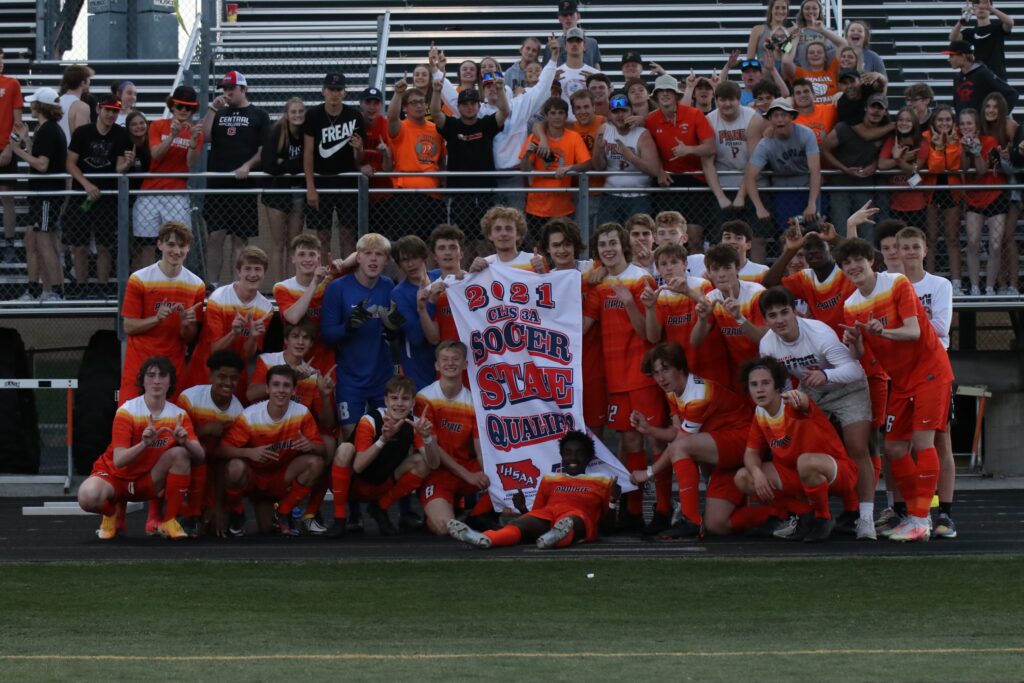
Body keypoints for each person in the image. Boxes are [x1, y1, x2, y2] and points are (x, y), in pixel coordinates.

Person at [836, 238, 955, 542]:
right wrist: (857, 342)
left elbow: (914, 331)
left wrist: (882, 330)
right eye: (846, 263)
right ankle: (916, 517)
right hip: (901, 381)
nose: (853, 266)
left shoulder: (897, 283)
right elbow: (863, 356)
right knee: (893, 448)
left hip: (930, 371)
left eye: (857, 260)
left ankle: (920, 518)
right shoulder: (850, 306)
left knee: (924, 442)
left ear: (871, 261)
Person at [756, 286, 875, 538]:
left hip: (847, 387)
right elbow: (781, 382)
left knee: (857, 448)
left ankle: (865, 518)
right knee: (801, 450)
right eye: (773, 315)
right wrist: (789, 399)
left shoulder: (819, 332)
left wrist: (825, 374)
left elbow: (854, 370)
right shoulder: (767, 344)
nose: (779, 320)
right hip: (812, 391)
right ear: (765, 320)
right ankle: (809, 515)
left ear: (795, 312)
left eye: (784, 312)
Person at [582, 222, 668, 531]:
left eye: (612, 243)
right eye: (602, 244)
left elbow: (648, 332)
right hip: (615, 378)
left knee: (655, 441)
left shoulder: (639, 279)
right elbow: (581, 328)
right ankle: (633, 512)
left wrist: (630, 302)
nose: (607, 248)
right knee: (631, 442)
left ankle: (662, 510)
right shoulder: (597, 285)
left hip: (643, 375)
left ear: (623, 246)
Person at [627, 341, 756, 538]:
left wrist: (649, 472)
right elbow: (679, 433)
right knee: (716, 524)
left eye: (666, 369)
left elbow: (679, 444)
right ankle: (776, 516)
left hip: (744, 442)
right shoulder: (674, 391)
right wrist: (649, 429)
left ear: (680, 367)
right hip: (724, 449)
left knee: (682, 449)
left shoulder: (697, 395)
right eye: (656, 373)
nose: (661, 378)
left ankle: (691, 519)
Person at [77, 356, 202, 541]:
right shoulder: (127, 411)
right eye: (151, 375)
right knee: (87, 496)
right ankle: (111, 513)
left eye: (162, 375)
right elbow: (119, 461)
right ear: (142, 381)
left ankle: (169, 521)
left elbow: (200, 456)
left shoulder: (179, 415)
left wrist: (185, 442)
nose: (157, 380)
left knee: (181, 454)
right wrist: (145, 444)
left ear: (170, 381)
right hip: (115, 478)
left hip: (147, 480)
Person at [736, 356, 859, 543]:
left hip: (836, 472)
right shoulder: (760, 413)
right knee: (744, 477)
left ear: (777, 386)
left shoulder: (791, 403)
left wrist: (798, 398)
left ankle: (823, 517)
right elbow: (751, 452)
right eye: (754, 384)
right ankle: (804, 514)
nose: (760, 389)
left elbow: (802, 402)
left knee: (806, 462)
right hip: (797, 475)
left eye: (765, 383)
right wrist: (757, 472)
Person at [447, 430, 617, 549]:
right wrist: (522, 508)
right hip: (548, 515)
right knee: (520, 524)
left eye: (579, 453)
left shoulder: (603, 481)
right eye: (568, 453)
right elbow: (537, 514)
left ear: (589, 457)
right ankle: (485, 538)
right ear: (562, 456)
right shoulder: (549, 479)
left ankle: (556, 537)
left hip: (578, 518)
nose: (573, 457)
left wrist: (613, 502)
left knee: (570, 520)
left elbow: (607, 529)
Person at [896, 226, 958, 539]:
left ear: (925, 250)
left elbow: (940, 328)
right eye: (903, 247)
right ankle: (910, 511)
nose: (909, 252)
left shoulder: (940, 284)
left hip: (934, 368)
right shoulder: (891, 283)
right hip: (901, 372)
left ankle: (944, 512)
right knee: (898, 444)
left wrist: (904, 325)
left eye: (914, 246)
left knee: (938, 442)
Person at [220, 364, 326, 537]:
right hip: (254, 477)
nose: (281, 390)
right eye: (276, 385)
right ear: (267, 389)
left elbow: (322, 450)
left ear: (293, 390)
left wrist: (311, 445)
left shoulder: (302, 413)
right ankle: (238, 512)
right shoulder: (250, 416)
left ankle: (283, 512)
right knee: (234, 467)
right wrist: (249, 453)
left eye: (286, 385)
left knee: (316, 462)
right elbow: (222, 450)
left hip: (282, 476)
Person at [327, 375, 434, 537]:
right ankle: (340, 517)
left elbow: (434, 464)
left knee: (422, 462)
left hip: (382, 486)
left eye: (405, 399)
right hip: (353, 485)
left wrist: (427, 438)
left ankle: (380, 507)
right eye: (394, 398)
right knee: (345, 449)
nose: (399, 403)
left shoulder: (415, 424)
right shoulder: (369, 420)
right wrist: (383, 439)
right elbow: (358, 466)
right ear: (386, 401)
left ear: (412, 403)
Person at [321, 233, 400, 438]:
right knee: (351, 436)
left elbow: (395, 333)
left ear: (386, 260)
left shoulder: (388, 285)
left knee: (389, 434)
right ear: (358, 257)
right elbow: (328, 335)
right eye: (368, 253)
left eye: (379, 254)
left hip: (381, 376)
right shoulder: (337, 288)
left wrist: (392, 325)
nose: (373, 259)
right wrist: (348, 327)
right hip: (350, 378)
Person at [120, 221, 206, 405]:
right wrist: (156, 319)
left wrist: (187, 324)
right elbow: (128, 326)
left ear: (188, 248)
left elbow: (189, 337)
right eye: (171, 244)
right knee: (132, 421)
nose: (176, 251)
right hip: (140, 363)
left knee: (171, 424)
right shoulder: (139, 279)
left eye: (182, 246)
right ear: (160, 245)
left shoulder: (196, 284)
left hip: (173, 365)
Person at [202, 71, 269, 287]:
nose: (228, 92)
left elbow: (263, 149)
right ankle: (211, 286)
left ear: (244, 89)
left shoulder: (258, 114)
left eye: (232, 88)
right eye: (225, 88)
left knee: (240, 239)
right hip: (217, 184)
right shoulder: (219, 113)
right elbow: (205, 137)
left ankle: (237, 285)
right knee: (215, 236)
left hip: (243, 185)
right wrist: (212, 109)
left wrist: (247, 166)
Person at [415, 341, 490, 535]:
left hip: (467, 467)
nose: (450, 363)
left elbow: (480, 449)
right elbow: (433, 454)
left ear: (465, 364)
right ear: (437, 365)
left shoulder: (473, 400)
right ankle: (453, 510)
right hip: (439, 473)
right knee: (443, 528)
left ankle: (477, 514)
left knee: (500, 475)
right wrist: (468, 475)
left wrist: (488, 475)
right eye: (445, 359)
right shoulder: (424, 399)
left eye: (455, 359)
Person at [64, 93, 133, 298]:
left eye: (115, 110)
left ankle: (102, 287)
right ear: (98, 110)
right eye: (108, 110)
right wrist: (86, 184)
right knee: (79, 245)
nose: (111, 114)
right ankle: (81, 286)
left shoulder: (121, 135)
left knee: (105, 245)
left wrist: (128, 164)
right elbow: (69, 163)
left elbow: (119, 168)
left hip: (107, 196)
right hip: (82, 195)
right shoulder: (83, 132)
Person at [183, 246, 273, 399]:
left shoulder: (266, 308)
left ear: (264, 273)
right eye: (247, 269)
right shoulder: (219, 298)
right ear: (239, 271)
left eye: (257, 269)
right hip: (207, 371)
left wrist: (252, 337)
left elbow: (248, 353)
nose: (252, 274)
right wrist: (234, 333)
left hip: (236, 374)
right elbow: (214, 350)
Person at [642, 242, 733, 389]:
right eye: (663, 264)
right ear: (657, 269)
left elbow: (715, 311)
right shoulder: (659, 295)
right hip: (680, 370)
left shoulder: (702, 285)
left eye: (674, 262)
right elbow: (653, 337)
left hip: (710, 364)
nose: (669, 267)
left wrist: (687, 292)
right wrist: (650, 308)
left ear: (685, 264)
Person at [176, 349, 245, 538]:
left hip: (214, 468)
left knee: (214, 525)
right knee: (180, 455)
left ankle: (232, 509)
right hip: (189, 462)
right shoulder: (189, 398)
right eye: (222, 376)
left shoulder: (238, 413)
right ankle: (176, 514)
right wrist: (204, 431)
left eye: (234, 378)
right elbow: (176, 441)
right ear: (210, 375)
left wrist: (218, 507)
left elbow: (225, 459)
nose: (228, 383)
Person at [430, 75, 508, 236]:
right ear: (458, 107)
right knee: (461, 236)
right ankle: (465, 263)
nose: (469, 107)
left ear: (479, 106)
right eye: (465, 104)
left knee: (487, 236)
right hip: (459, 192)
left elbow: (504, 111)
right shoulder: (452, 125)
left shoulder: (486, 124)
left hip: (486, 190)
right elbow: (435, 113)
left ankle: (486, 262)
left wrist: (500, 90)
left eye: (473, 103)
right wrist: (437, 92)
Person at [135, 85, 202, 270]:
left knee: (178, 243)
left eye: (188, 108)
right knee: (147, 244)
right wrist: (172, 135)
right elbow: (156, 154)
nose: (183, 111)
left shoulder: (195, 131)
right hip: (150, 191)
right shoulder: (157, 125)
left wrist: (194, 143)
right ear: (172, 106)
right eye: (179, 106)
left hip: (176, 193)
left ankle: (176, 280)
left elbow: (190, 163)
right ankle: (146, 283)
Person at [645, 74, 715, 247]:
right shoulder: (651, 120)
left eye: (669, 90)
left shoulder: (695, 114)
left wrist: (688, 149)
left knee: (694, 237)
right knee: (666, 238)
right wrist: (659, 170)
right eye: (660, 90)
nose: (664, 94)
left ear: (676, 94)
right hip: (667, 181)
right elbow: (648, 150)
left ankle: (696, 273)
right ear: (655, 96)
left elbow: (711, 147)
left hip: (695, 179)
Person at [10, 87, 65, 302]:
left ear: (41, 107)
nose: (30, 106)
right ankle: (35, 290)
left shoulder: (49, 130)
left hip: (46, 195)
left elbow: (42, 165)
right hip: (41, 195)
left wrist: (18, 151)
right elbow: (40, 155)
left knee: (44, 242)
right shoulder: (46, 129)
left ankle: (56, 291)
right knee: (31, 240)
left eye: (34, 103)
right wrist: (26, 141)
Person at [304, 72, 365, 261]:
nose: (335, 93)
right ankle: (324, 278)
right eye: (331, 89)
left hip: (347, 180)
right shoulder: (313, 115)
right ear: (323, 91)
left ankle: (347, 276)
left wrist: (359, 148)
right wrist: (310, 187)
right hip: (322, 179)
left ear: (345, 92)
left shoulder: (354, 115)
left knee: (348, 234)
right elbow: (308, 152)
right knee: (322, 235)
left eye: (339, 89)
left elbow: (360, 159)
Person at [704, 81, 767, 255]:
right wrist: (720, 196)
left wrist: (741, 194)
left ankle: (757, 278)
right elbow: (707, 162)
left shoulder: (753, 118)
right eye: (722, 99)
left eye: (731, 99)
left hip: (754, 185)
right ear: (716, 100)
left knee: (757, 239)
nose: (727, 104)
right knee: (721, 240)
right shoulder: (709, 120)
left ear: (739, 100)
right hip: (724, 184)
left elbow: (754, 161)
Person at [519, 97, 591, 241]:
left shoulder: (573, 137)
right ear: (546, 116)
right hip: (536, 207)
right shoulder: (536, 137)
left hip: (562, 208)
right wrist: (527, 155)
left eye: (560, 113)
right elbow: (525, 169)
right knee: (539, 251)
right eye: (552, 113)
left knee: (562, 247)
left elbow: (587, 163)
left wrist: (569, 168)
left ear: (566, 115)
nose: (557, 117)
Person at [821, 92, 890, 240]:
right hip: (840, 185)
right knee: (841, 230)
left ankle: (868, 263)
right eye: (873, 107)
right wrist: (843, 168)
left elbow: (887, 152)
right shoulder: (845, 127)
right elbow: (824, 148)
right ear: (865, 108)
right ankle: (840, 263)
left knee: (867, 233)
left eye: (880, 108)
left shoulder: (886, 131)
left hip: (865, 186)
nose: (876, 111)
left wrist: (875, 164)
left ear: (885, 112)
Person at [745, 101, 821, 234]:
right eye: (775, 115)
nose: (780, 119)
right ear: (769, 119)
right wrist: (759, 207)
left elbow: (815, 171)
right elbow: (750, 176)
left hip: (809, 188)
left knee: (815, 233)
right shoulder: (765, 144)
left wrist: (812, 203)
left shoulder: (806, 134)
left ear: (792, 117)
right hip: (783, 192)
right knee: (788, 235)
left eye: (784, 115)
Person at [386, 75, 446, 240]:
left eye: (422, 102)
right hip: (407, 195)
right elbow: (391, 118)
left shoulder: (435, 129)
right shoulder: (402, 127)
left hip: (433, 195)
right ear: (405, 108)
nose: (419, 106)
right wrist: (398, 94)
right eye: (414, 103)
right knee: (405, 245)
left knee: (433, 245)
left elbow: (441, 160)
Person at [958, 107, 1007, 295]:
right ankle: (975, 286)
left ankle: (989, 286)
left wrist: (976, 150)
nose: (966, 127)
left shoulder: (990, 141)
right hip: (973, 197)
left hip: (994, 194)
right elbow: (963, 169)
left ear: (977, 125)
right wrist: (964, 150)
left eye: (969, 123)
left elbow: (981, 169)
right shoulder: (958, 142)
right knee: (973, 241)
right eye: (962, 124)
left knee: (995, 243)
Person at [593, 91, 660, 224]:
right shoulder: (604, 130)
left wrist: (631, 157)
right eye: (615, 111)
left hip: (639, 196)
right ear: (609, 115)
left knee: (637, 237)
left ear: (631, 112)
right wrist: (598, 152)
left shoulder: (642, 134)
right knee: (607, 235)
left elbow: (654, 170)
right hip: (611, 195)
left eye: (624, 110)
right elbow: (598, 167)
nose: (620, 115)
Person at [261, 97, 306, 284]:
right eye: (293, 112)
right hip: (277, 191)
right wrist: (293, 166)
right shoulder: (277, 131)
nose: (297, 115)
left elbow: (307, 161)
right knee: (279, 244)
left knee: (294, 243)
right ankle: (278, 286)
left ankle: (292, 284)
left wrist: (285, 164)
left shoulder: (306, 133)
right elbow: (268, 164)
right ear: (286, 114)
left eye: (300, 111)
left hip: (297, 190)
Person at [981, 91, 1020, 294]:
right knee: (995, 240)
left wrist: (1008, 157)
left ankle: (1013, 285)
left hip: (1012, 190)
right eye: (988, 106)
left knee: (1007, 236)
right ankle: (1002, 284)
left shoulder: (1010, 126)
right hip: (992, 191)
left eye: (995, 107)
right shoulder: (983, 128)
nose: (991, 110)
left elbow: (1017, 161)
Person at [925, 105, 966, 291]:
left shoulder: (958, 138)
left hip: (952, 192)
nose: (944, 123)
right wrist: (938, 146)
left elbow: (954, 165)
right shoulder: (926, 137)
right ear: (934, 122)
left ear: (953, 122)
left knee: (952, 237)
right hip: (932, 192)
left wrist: (948, 145)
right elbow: (935, 167)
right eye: (940, 120)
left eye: (948, 120)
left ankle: (956, 283)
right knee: (931, 239)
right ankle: (929, 282)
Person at [390, 235, 437, 390]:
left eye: (414, 257)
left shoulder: (439, 276)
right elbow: (416, 337)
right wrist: (429, 303)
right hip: (418, 364)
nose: (410, 264)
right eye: (404, 260)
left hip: (448, 360)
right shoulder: (398, 294)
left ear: (424, 256)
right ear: (399, 264)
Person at [879, 106, 931, 233]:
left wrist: (898, 159)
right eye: (901, 120)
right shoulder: (892, 140)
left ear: (914, 123)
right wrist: (900, 159)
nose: (904, 123)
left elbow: (914, 168)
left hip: (917, 204)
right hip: (895, 204)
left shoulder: (922, 142)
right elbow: (881, 164)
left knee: (916, 240)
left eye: (908, 120)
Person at [419, 224, 468, 345]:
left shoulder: (475, 284)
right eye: (442, 248)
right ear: (435, 256)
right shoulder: (430, 292)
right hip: (450, 359)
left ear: (461, 253)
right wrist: (426, 305)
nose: (447, 253)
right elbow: (434, 339)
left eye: (452, 247)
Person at [945, 40, 1018, 114]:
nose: (948, 59)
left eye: (951, 56)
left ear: (963, 56)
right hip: (964, 125)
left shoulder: (983, 73)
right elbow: (957, 105)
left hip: (981, 125)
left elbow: (1012, 94)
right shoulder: (957, 78)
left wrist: (999, 118)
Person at [951, 0, 1014, 79]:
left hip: (997, 77)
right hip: (977, 77)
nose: (981, 8)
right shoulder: (969, 32)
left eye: (984, 5)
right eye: (977, 5)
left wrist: (991, 9)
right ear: (973, 10)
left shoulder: (998, 28)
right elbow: (953, 38)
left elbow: (1010, 23)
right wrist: (964, 17)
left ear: (989, 9)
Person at [0, 51, 22, 265]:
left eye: (1, 59)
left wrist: (9, 147)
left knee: (8, 197)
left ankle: (9, 244)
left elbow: (18, 122)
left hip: (5, 149)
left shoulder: (12, 84)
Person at [783, 33, 845, 104]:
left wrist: (821, 29)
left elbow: (843, 44)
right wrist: (795, 40)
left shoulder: (832, 70)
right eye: (811, 53)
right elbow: (785, 61)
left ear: (825, 57)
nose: (815, 54)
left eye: (819, 52)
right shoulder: (800, 73)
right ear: (807, 57)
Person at [470, 206, 534, 271]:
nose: (503, 234)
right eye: (498, 229)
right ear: (490, 235)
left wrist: (542, 272)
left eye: (508, 229)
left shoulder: (533, 261)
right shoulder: (484, 265)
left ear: (518, 234)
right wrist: (472, 274)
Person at [544, 1, 602, 69]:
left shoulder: (592, 43)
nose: (568, 18)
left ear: (578, 16)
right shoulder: (551, 46)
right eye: (564, 15)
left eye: (571, 14)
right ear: (559, 18)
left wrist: (594, 77)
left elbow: (598, 71)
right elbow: (545, 73)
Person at [791, 78, 838, 146]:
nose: (803, 95)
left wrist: (838, 96)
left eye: (806, 91)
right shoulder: (791, 120)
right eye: (798, 93)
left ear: (814, 95)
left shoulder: (829, 109)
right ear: (793, 98)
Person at [747, 0, 792, 66]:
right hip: (762, 73)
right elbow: (750, 59)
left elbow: (786, 58)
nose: (780, 11)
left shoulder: (789, 34)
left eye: (783, 8)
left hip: (781, 75)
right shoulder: (757, 30)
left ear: (787, 11)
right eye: (777, 8)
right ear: (771, 9)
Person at [56, 64, 93, 145]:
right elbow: (80, 141)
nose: (90, 82)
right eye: (89, 79)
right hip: (69, 154)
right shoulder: (82, 107)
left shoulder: (56, 102)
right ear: (83, 83)